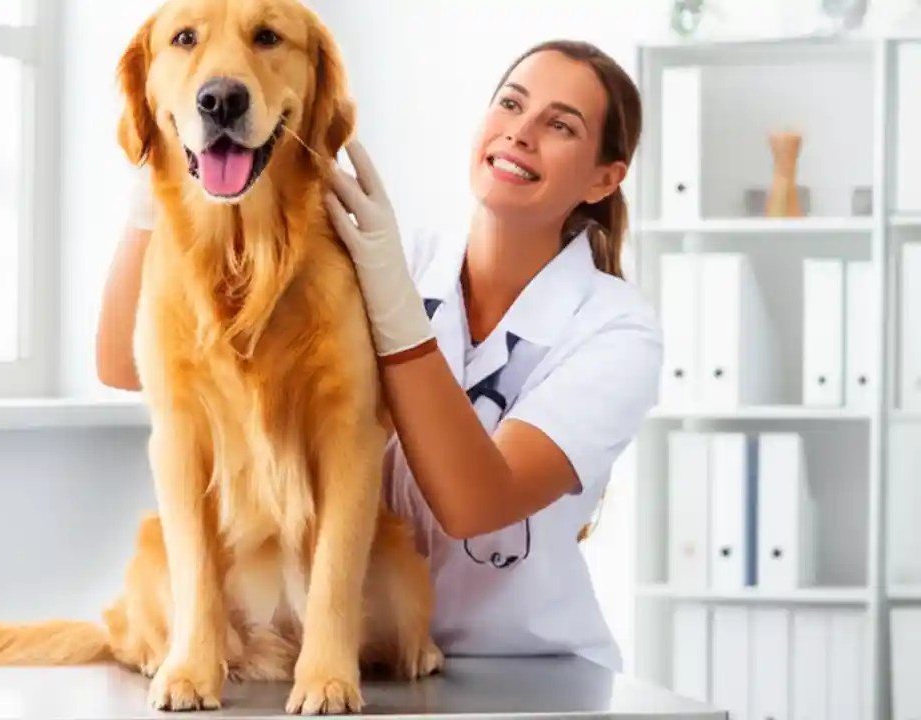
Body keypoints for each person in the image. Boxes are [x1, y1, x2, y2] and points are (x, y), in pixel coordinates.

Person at [96, 39, 662, 673]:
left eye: (560, 125)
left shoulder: (617, 330)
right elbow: (124, 365)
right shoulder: (388, 253)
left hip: (524, 666)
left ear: (603, 178)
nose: (521, 133)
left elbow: (476, 505)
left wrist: (395, 308)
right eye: (510, 103)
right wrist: (157, 193)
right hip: (369, 653)